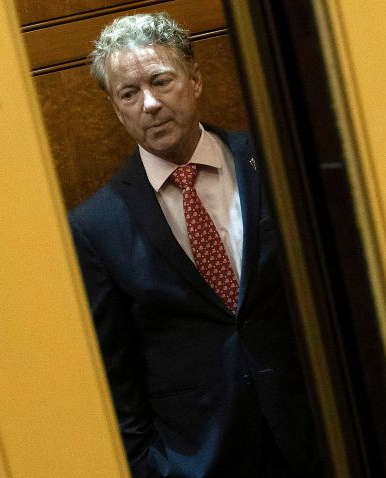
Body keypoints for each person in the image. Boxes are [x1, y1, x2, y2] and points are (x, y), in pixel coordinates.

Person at [68, 12, 319, 477]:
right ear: (115, 108)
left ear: (196, 79)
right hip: (200, 460)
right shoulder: (95, 228)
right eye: (129, 94)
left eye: (161, 81)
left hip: (319, 436)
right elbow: (114, 378)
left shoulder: (275, 161)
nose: (150, 104)